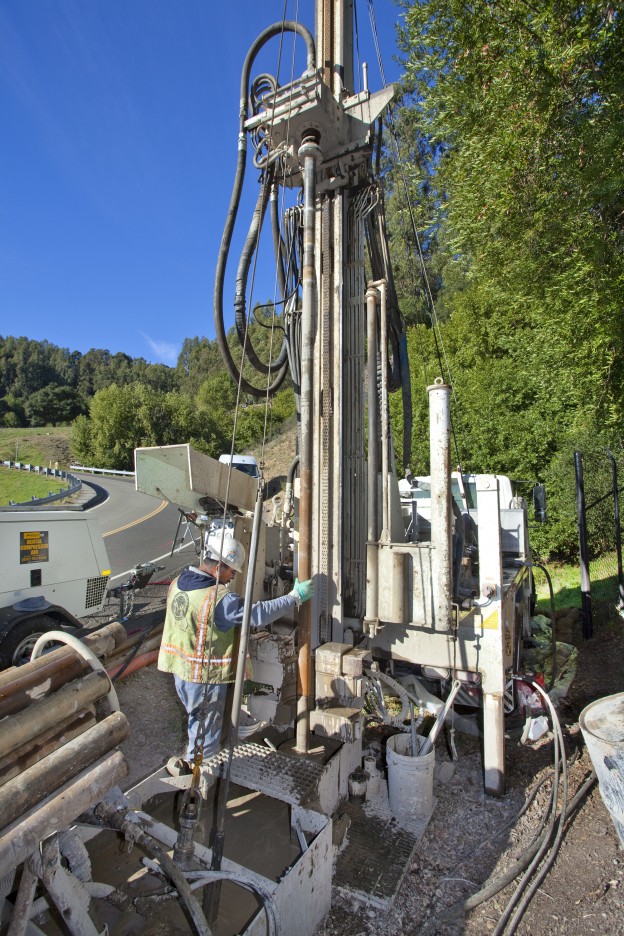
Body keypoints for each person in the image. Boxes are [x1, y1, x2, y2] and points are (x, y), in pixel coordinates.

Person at [158, 530, 313, 775]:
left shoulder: (179, 582)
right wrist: (293, 597)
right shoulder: (218, 599)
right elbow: (258, 613)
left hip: (180, 670)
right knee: (206, 729)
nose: (232, 578)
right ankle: (201, 781)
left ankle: (190, 761)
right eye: (231, 571)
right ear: (219, 567)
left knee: (196, 721)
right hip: (204, 678)